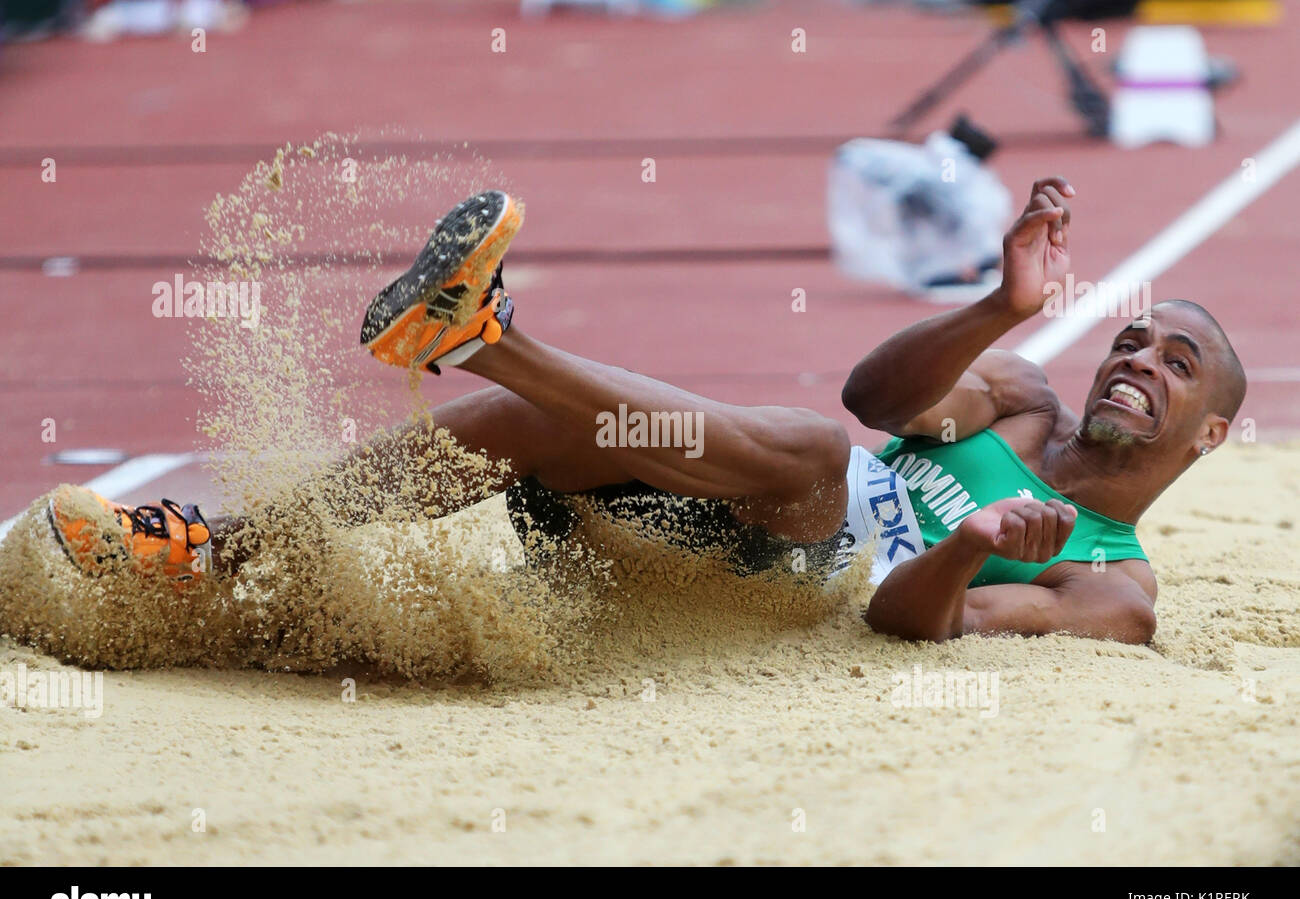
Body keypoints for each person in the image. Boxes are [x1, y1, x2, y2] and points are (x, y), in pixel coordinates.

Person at [48, 179, 1246, 643]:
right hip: (701, 504)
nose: (1138, 357)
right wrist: (994, 303)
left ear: (1208, 432)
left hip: (788, 580)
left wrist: (972, 542)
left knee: (816, 457)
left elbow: (913, 627)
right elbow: (877, 395)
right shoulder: (1023, 398)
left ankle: (480, 337)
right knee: (549, 430)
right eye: (1133, 335)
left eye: (1177, 361)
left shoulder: (1113, 587)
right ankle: (216, 558)